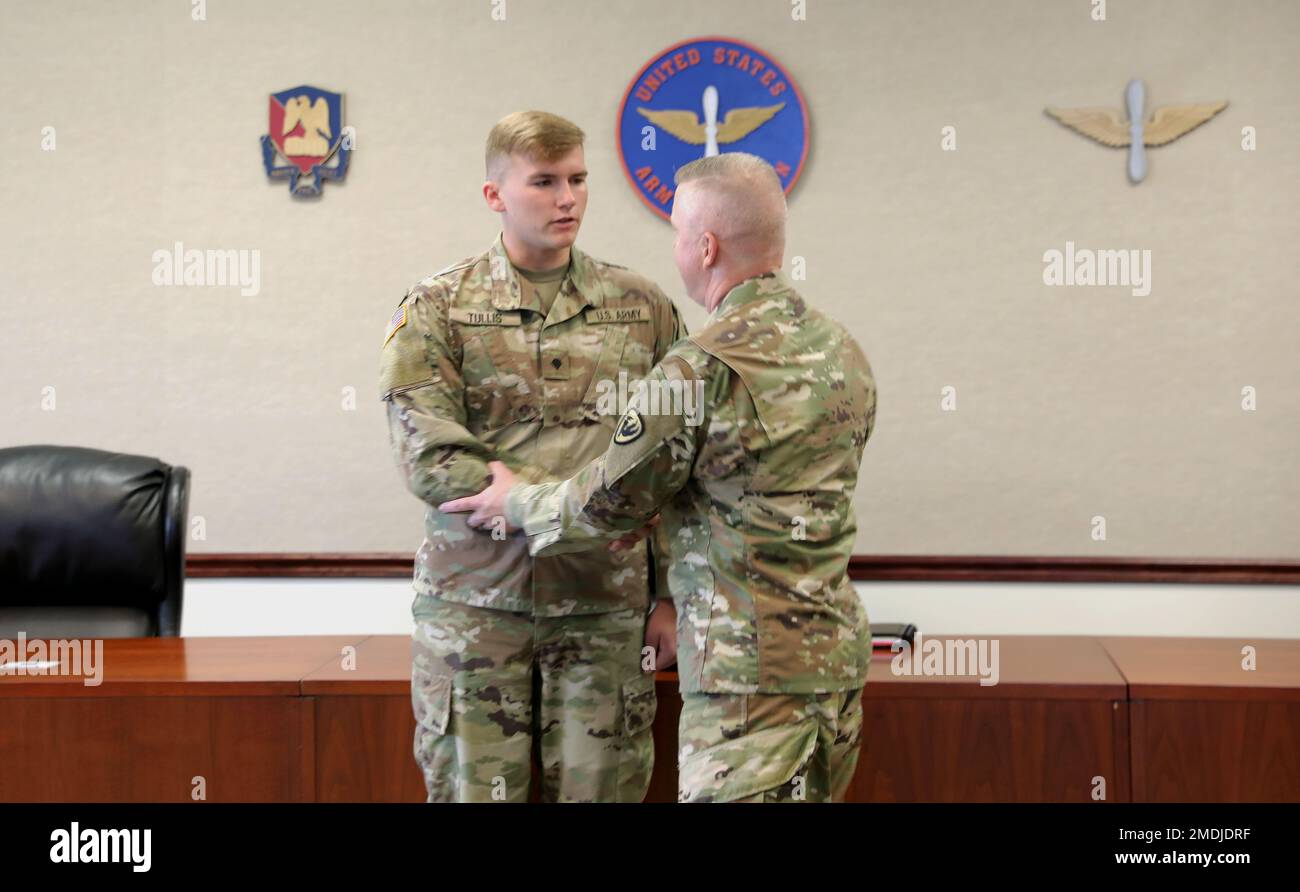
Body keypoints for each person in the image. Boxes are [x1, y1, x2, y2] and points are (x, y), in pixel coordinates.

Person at [441, 152, 878, 803]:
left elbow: (603, 502)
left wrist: (517, 500)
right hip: (835, 662)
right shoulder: (841, 349)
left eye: (677, 234)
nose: (676, 251)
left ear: (705, 246)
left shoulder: (698, 371)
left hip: (747, 684)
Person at [379, 110, 685, 802]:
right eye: (544, 181)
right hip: (478, 609)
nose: (567, 197)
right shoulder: (438, 308)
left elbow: (674, 461)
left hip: (604, 609)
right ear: (496, 195)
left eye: (577, 179)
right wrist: (574, 506)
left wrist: (670, 594)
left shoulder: (641, 306)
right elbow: (429, 453)